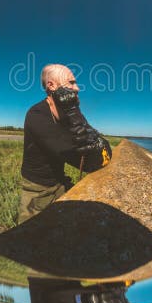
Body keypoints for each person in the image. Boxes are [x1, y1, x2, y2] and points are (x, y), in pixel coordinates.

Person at [19, 64, 111, 223]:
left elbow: (103, 150)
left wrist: (76, 115)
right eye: (71, 82)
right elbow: (90, 162)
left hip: (60, 181)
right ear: (51, 85)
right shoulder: (37, 116)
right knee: (28, 238)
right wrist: (97, 145)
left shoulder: (69, 112)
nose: (77, 88)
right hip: (38, 191)